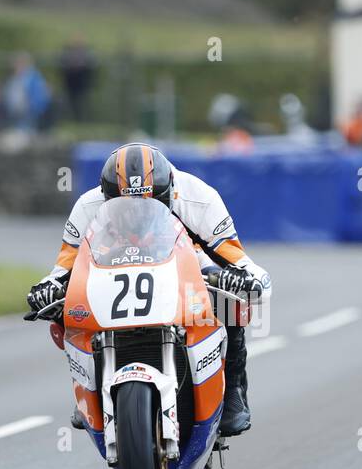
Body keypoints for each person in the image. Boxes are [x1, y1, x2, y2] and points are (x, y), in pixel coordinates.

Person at [27, 143, 272, 437]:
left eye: (148, 203)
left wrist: (247, 281)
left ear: (168, 190)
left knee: (231, 298)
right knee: (62, 303)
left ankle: (233, 389)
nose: (136, 216)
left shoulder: (200, 199)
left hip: (185, 262)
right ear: (106, 196)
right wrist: (46, 290)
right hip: (111, 268)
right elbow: (63, 270)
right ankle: (85, 390)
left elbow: (239, 260)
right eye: (124, 207)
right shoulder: (87, 206)